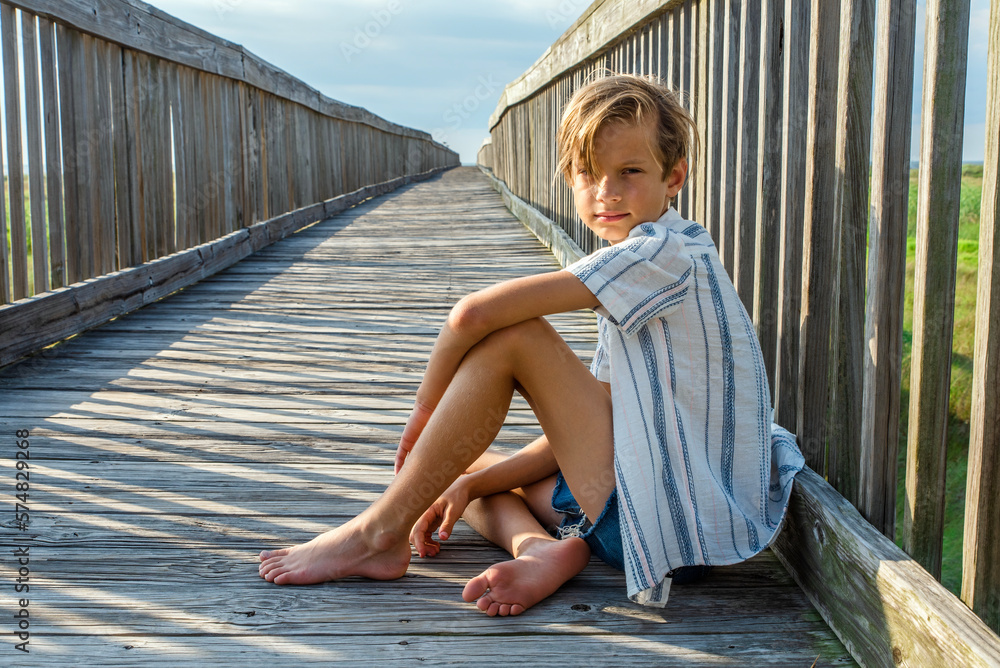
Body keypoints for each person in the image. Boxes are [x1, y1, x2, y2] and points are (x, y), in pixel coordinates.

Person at [258, 73, 804, 617]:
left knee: (514, 337)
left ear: (675, 176)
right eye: (588, 174)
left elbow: (471, 313)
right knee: (452, 466)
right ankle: (539, 547)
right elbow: (609, 414)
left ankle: (377, 533)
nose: (607, 191)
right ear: (569, 178)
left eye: (630, 172)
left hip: (662, 526)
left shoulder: (659, 256)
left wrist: (423, 411)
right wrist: (468, 482)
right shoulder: (660, 262)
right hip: (652, 515)